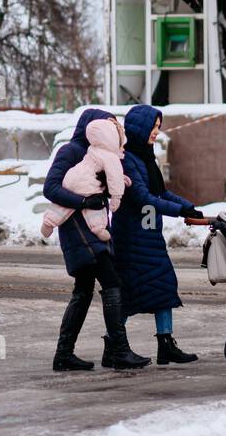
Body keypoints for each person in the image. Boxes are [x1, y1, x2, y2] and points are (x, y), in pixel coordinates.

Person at [45, 108, 150, 372]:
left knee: (83, 291)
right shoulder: (70, 152)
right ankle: (119, 351)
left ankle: (64, 354)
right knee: (112, 282)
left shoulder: (99, 153)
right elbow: (51, 188)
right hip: (78, 230)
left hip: (92, 229)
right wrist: (84, 201)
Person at [111, 104, 202, 367]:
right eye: (153, 127)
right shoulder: (127, 159)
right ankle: (113, 345)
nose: (156, 132)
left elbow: (159, 193)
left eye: (158, 127)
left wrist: (186, 206)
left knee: (161, 286)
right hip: (131, 235)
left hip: (149, 235)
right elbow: (142, 198)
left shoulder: (146, 157)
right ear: (139, 128)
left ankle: (166, 344)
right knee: (129, 292)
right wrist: (177, 211)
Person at [40, 117, 128, 238]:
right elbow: (114, 176)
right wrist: (116, 197)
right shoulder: (110, 157)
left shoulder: (92, 149)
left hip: (72, 177)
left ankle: (48, 222)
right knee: (96, 204)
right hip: (88, 187)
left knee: (63, 205)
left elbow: (104, 170)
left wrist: (121, 178)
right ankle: (98, 228)